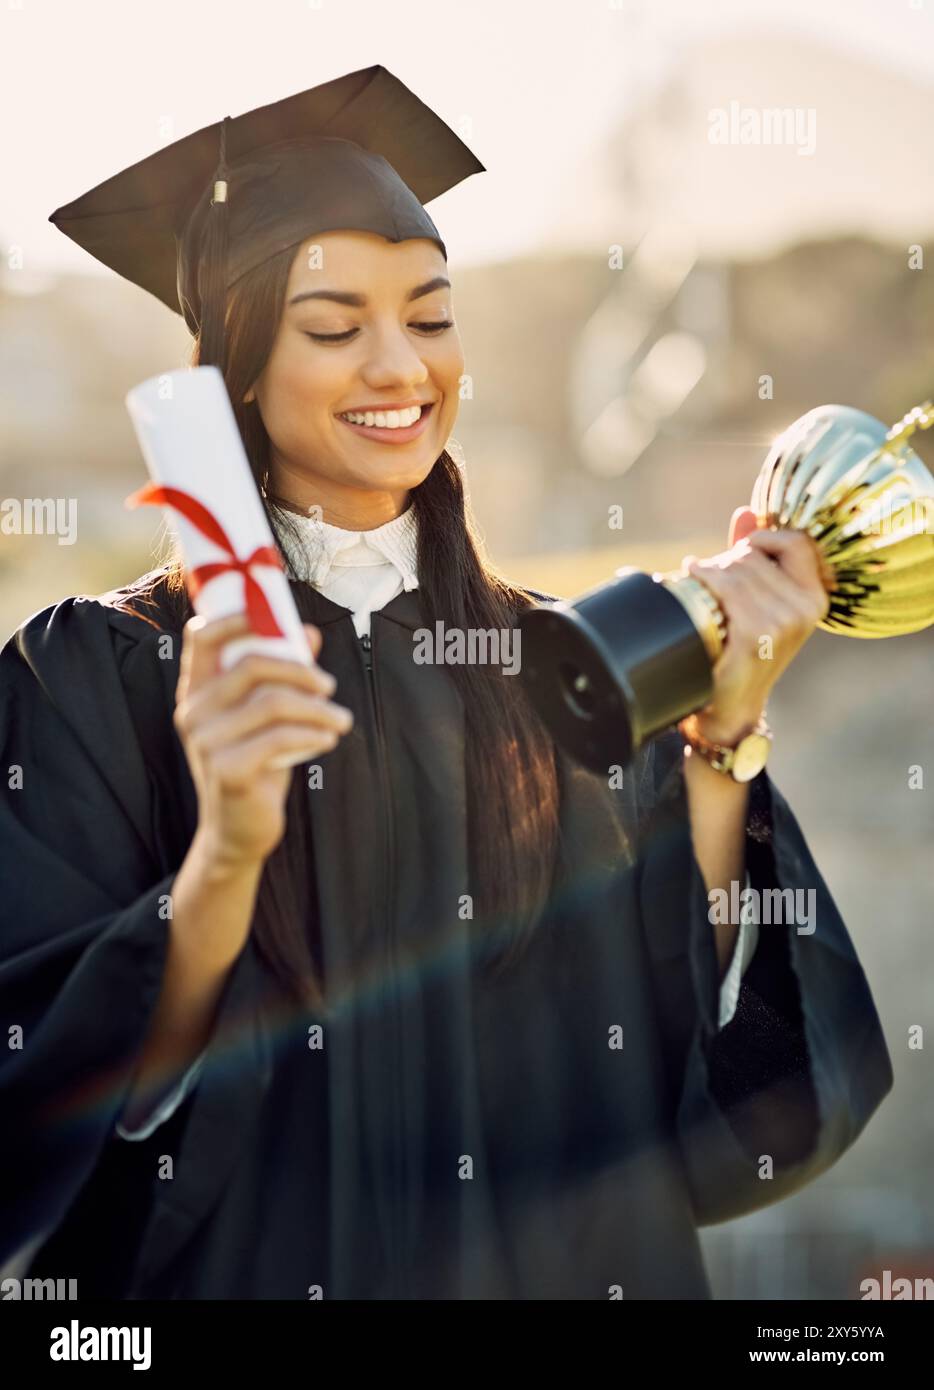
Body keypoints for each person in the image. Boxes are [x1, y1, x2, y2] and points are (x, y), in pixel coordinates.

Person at [0, 66, 892, 1299]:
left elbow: (721, 1098)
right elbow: (43, 1099)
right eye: (331, 327)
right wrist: (222, 863)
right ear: (237, 368)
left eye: (429, 317)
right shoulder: (100, 675)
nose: (399, 368)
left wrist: (722, 736)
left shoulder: (572, 668)